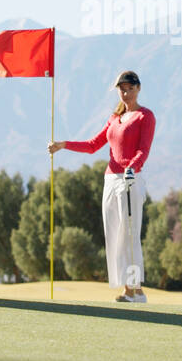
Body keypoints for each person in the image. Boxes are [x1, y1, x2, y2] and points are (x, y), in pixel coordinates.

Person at [48, 71, 156, 302]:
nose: (125, 93)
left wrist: (132, 168)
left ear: (138, 88)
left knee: (130, 235)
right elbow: (92, 145)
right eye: (121, 89)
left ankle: (132, 290)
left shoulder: (145, 116)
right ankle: (135, 290)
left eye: (129, 88)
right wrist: (63, 145)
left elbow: (143, 150)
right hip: (110, 180)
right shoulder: (114, 118)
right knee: (115, 235)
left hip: (130, 180)